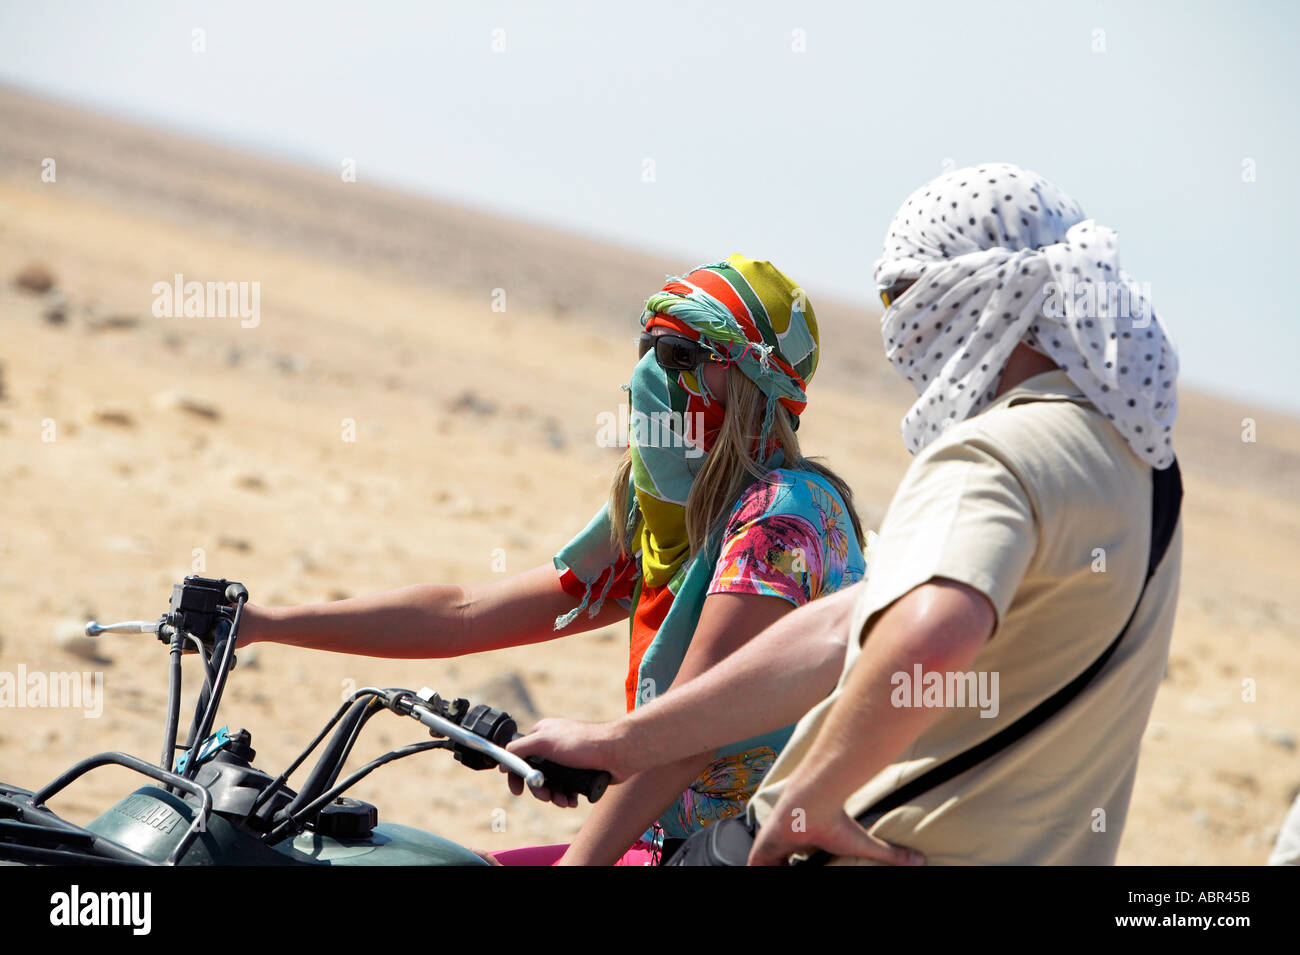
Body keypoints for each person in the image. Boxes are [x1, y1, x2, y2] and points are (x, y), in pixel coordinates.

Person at [512, 163, 1184, 866]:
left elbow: (933, 631)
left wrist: (814, 791)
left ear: (973, 294)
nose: (897, 331)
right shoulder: (1140, 469)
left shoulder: (994, 454)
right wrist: (620, 744)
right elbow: (850, 627)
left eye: (901, 294)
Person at [238, 254, 866, 865]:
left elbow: (687, 737)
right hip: (661, 841)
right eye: (646, 348)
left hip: (761, 849)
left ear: (756, 385)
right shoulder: (663, 514)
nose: (650, 373)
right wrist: (266, 624)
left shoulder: (784, 518)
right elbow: (465, 614)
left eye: (680, 355)